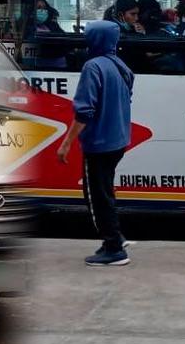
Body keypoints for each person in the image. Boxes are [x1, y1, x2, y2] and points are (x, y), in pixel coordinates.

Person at [56, 20, 134, 266]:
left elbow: (84, 112)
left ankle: (113, 248)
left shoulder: (93, 67)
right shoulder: (119, 64)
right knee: (105, 191)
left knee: (96, 196)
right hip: (118, 139)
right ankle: (117, 237)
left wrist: (67, 142)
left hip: (99, 143)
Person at [33, 0, 69, 69]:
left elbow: (63, 37)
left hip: (58, 63)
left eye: (44, 8)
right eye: (38, 8)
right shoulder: (27, 26)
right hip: (38, 65)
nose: (42, 11)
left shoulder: (52, 24)